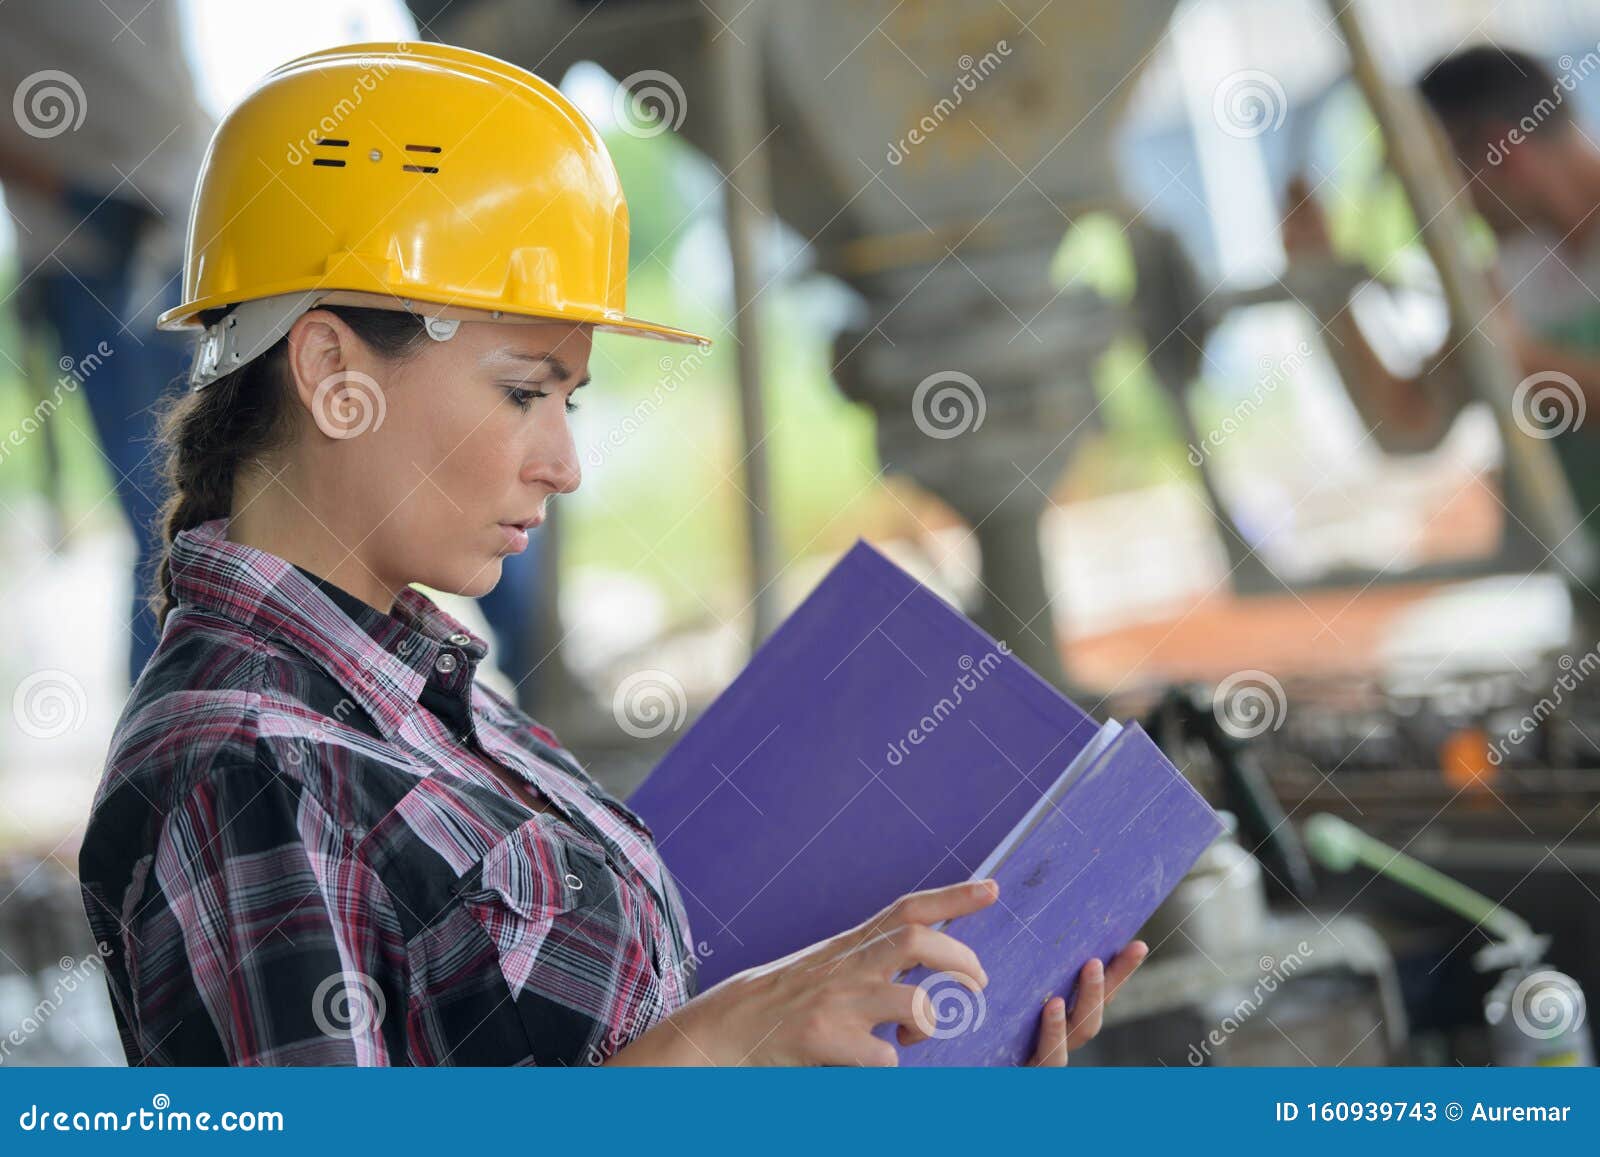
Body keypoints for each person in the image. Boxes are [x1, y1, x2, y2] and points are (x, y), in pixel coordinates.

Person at [76, 41, 1144, 1067]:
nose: (564, 463)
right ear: (330, 369)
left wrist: (904, 1040)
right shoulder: (241, 765)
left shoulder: (427, 692)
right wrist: (721, 1042)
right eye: (523, 391)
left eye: (569, 398)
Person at [1283, 45, 1600, 627]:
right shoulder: (1505, 274)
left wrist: (1516, 359)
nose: (1439, 209)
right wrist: (1325, 290)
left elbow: (1505, 360)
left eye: (1439, 180)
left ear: (1506, 154)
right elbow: (1406, 428)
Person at [0, 0, 213, 685]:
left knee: (228, 498)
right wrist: (73, 193)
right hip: (90, 251)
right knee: (165, 515)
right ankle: (159, 764)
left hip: (190, 219)